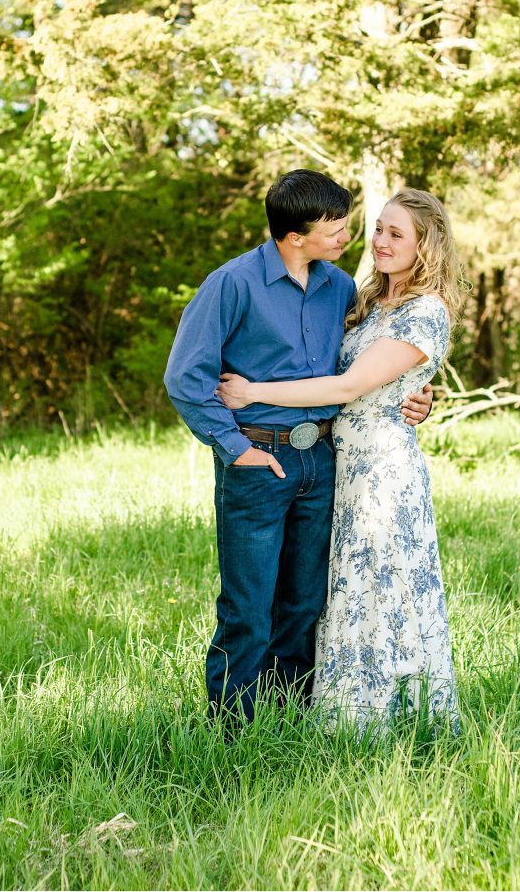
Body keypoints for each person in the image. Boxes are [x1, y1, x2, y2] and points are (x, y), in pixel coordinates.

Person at [164, 170, 432, 726]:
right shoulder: (232, 284)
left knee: (306, 604)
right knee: (248, 606)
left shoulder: (340, 288)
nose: (349, 238)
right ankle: (231, 730)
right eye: (335, 230)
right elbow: (185, 377)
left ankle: (286, 721)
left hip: (325, 460)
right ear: (294, 236)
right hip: (259, 460)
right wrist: (235, 448)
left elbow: (369, 365)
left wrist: (418, 395)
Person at [215, 188, 464, 731]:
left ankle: (382, 717)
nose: (378, 241)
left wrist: (253, 392)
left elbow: (350, 385)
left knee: (379, 589)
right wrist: (416, 392)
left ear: (426, 245)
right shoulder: (364, 298)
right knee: (336, 590)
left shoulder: (424, 312)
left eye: (396, 234)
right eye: (379, 228)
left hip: (380, 472)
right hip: (336, 464)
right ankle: (306, 711)